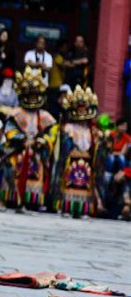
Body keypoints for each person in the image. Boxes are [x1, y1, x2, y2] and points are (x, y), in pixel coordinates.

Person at [0, 67, 56, 212]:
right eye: (30, 94)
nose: (33, 97)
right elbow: (9, 131)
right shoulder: (16, 113)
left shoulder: (45, 116)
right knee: (10, 166)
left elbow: (51, 134)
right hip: (18, 149)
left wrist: (41, 141)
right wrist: (22, 139)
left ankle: (29, 201)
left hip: (36, 151)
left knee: (38, 169)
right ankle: (5, 199)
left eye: (36, 94)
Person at [48, 86, 100, 218]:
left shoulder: (91, 130)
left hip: (86, 162)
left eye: (84, 109)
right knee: (69, 183)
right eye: (79, 109)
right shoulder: (68, 127)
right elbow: (65, 145)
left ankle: (82, 209)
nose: (82, 111)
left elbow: (94, 146)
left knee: (84, 186)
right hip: (71, 161)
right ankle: (66, 208)